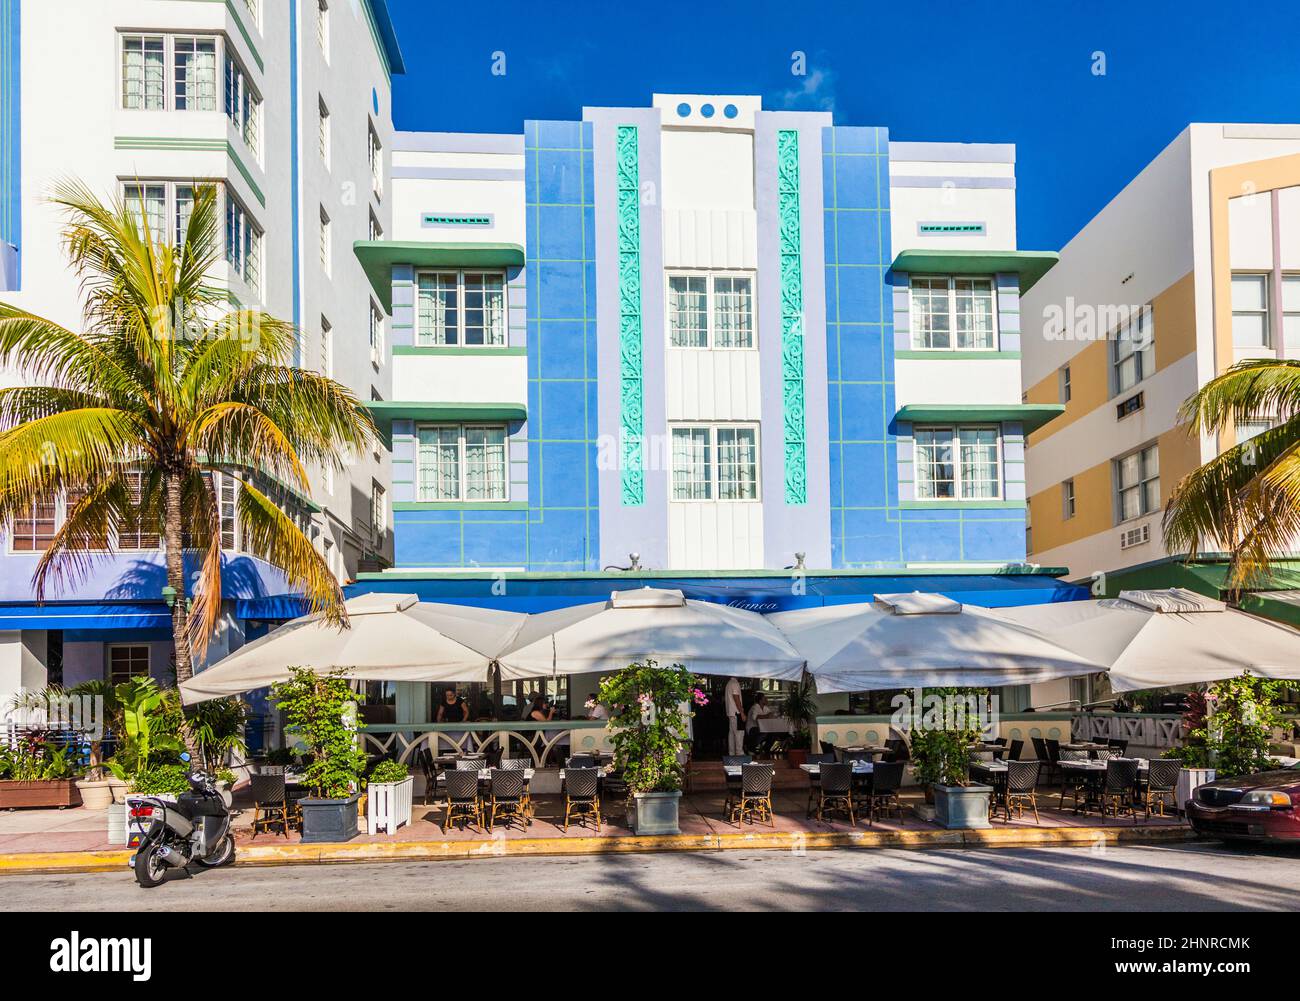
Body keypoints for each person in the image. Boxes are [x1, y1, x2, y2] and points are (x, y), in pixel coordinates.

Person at [725, 676, 745, 756]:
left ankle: (732, 752)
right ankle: (739, 752)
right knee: (739, 733)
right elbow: (736, 697)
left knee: (732, 733)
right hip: (736, 712)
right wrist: (742, 712)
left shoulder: (729, 683)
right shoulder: (735, 683)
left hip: (731, 712)